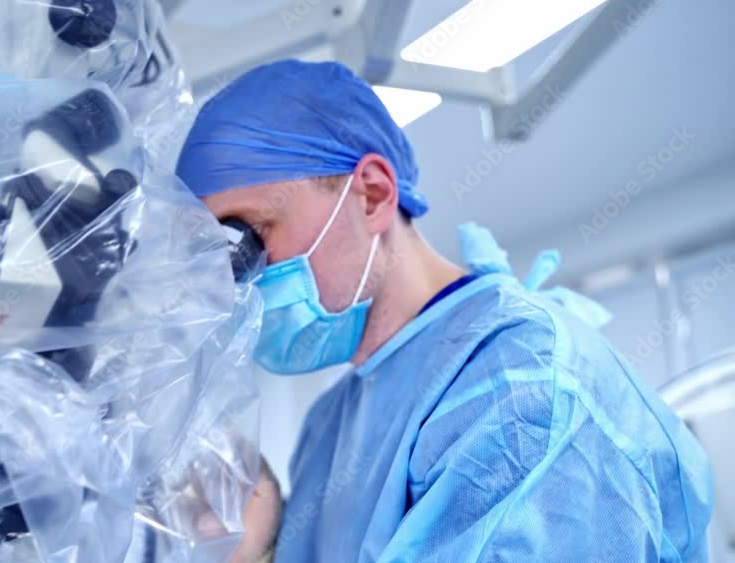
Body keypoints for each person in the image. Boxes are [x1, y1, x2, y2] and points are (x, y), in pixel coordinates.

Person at [175, 59, 715, 563]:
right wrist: (259, 537)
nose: (238, 282)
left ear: (372, 194)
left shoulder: (524, 387)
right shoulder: (331, 425)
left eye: (248, 236)